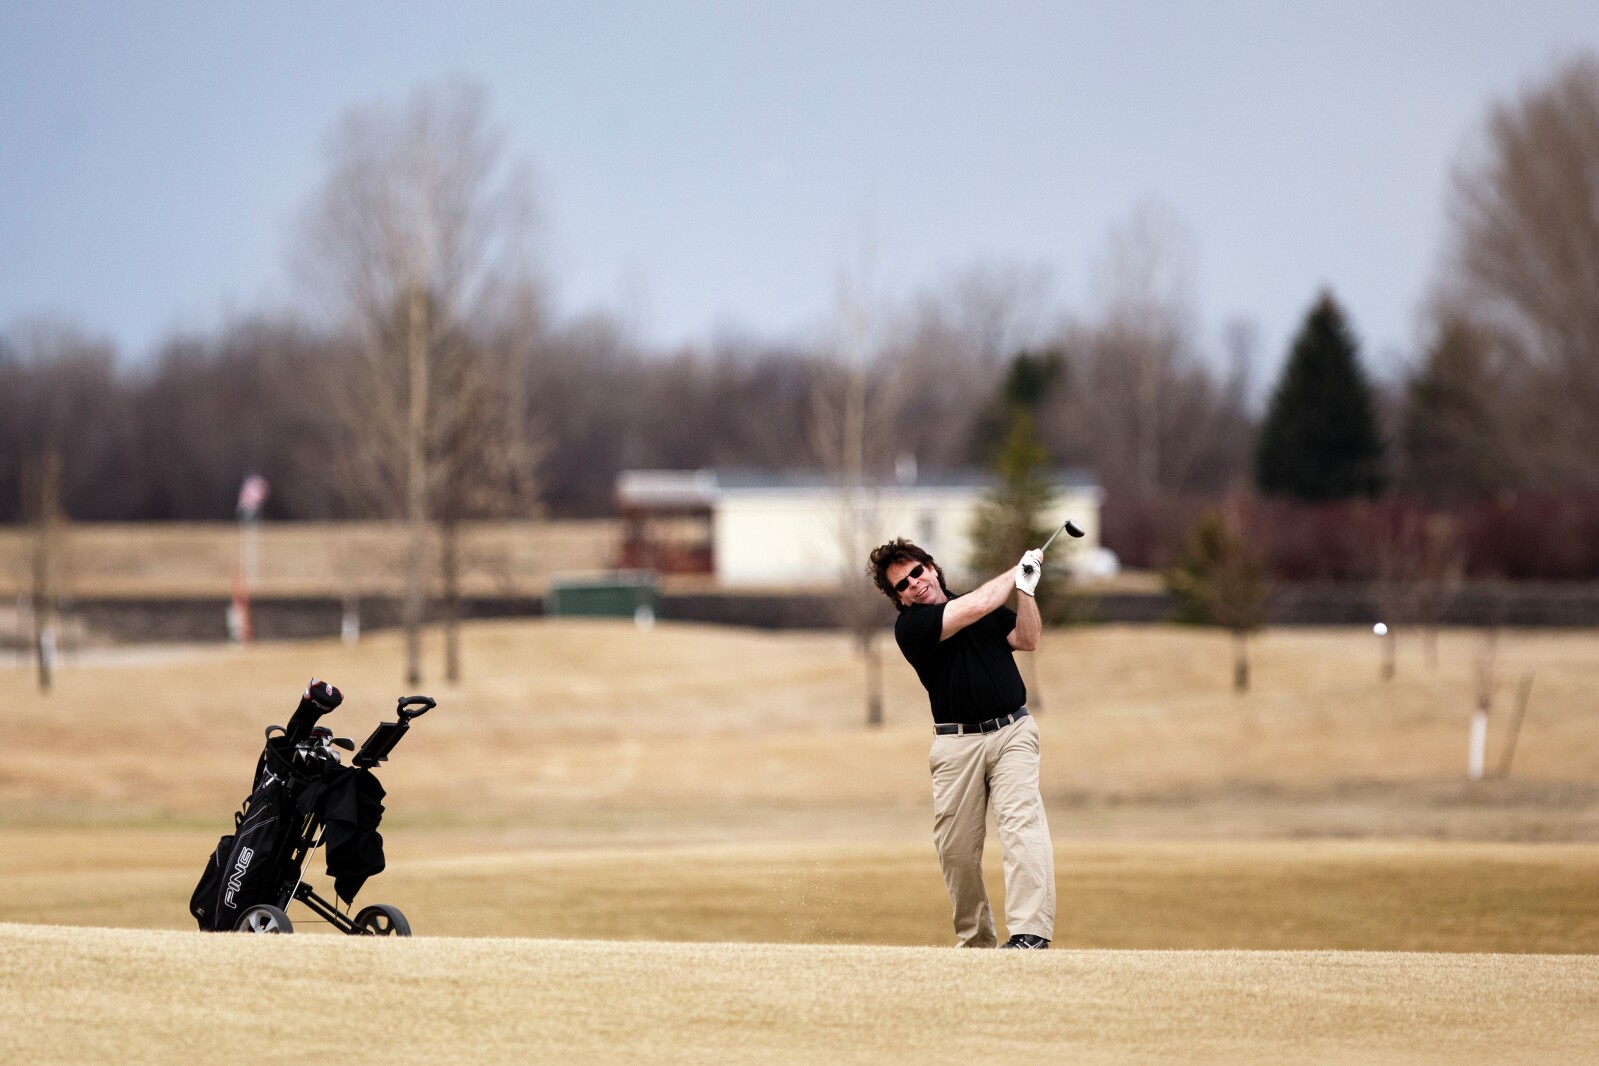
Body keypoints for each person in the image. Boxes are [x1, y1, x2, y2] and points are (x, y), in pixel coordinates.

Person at [867, 537, 1055, 949]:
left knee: (1022, 827)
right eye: (902, 585)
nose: (914, 584)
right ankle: (977, 942)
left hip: (1013, 734)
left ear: (932, 568)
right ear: (899, 599)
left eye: (917, 572)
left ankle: (1030, 934)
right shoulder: (913, 627)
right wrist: (1017, 570)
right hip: (957, 746)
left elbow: (1028, 639)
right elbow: (973, 608)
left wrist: (1026, 592)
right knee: (956, 852)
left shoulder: (983, 605)